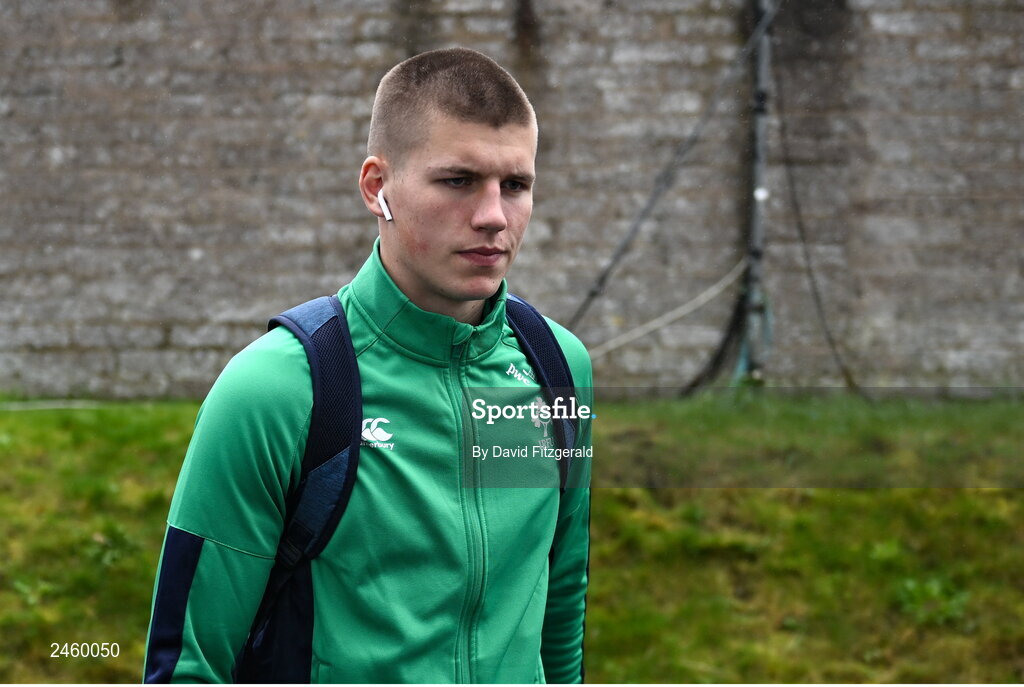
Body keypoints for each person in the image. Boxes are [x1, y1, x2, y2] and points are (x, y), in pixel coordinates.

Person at [143, 47, 592, 683]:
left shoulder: (557, 367)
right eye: (458, 180)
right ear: (377, 188)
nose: (494, 215)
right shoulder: (277, 388)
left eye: (514, 185)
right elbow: (188, 665)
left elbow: (561, 612)